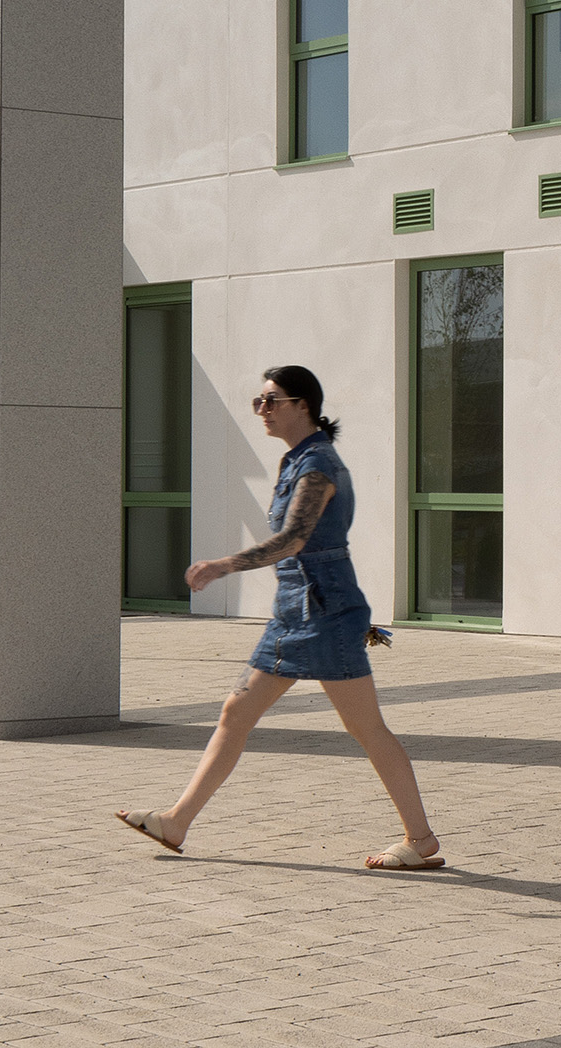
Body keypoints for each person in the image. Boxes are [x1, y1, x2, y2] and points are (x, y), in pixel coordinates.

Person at [117, 365, 444, 871]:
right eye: (259, 401)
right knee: (236, 713)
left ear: (302, 405)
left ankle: (419, 840)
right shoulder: (295, 461)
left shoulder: (317, 467)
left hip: (328, 613)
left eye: (271, 401)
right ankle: (176, 821)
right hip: (293, 614)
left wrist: (223, 565)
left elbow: (293, 540)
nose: (261, 410)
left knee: (367, 729)